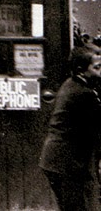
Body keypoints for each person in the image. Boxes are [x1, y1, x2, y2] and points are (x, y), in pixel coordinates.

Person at [39, 45, 101, 210]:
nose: (100, 71)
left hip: (55, 160)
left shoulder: (70, 84)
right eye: (97, 67)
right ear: (81, 70)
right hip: (66, 163)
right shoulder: (84, 94)